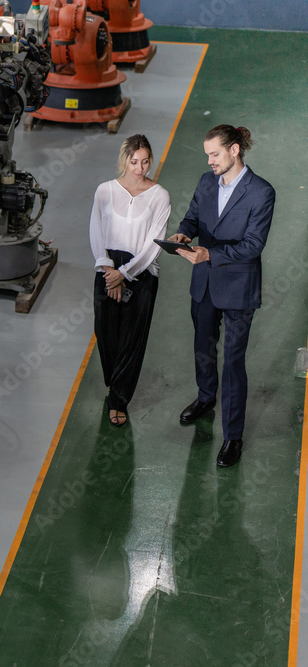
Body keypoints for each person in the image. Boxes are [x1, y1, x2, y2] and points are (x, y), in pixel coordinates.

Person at [168, 124, 275, 467]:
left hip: (238, 288)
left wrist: (209, 255)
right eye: (207, 155)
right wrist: (184, 234)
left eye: (215, 154)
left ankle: (232, 435)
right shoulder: (205, 182)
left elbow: (253, 245)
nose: (210, 161)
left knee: (232, 362)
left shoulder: (260, 192)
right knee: (203, 346)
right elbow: (193, 218)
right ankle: (205, 398)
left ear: (234, 151)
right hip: (204, 283)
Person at [89, 134, 171, 426]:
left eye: (145, 161)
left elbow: (154, 244)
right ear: (124, 159)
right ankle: (114, 383)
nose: (140, 167)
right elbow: (96, 230)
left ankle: (119, 399)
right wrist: (108, 269)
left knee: (132, 340)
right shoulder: (105, 191)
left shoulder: (160, 196)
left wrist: (124, 275)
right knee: (106, 333)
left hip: (141, 273)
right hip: (107, 268)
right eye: (134, 161)